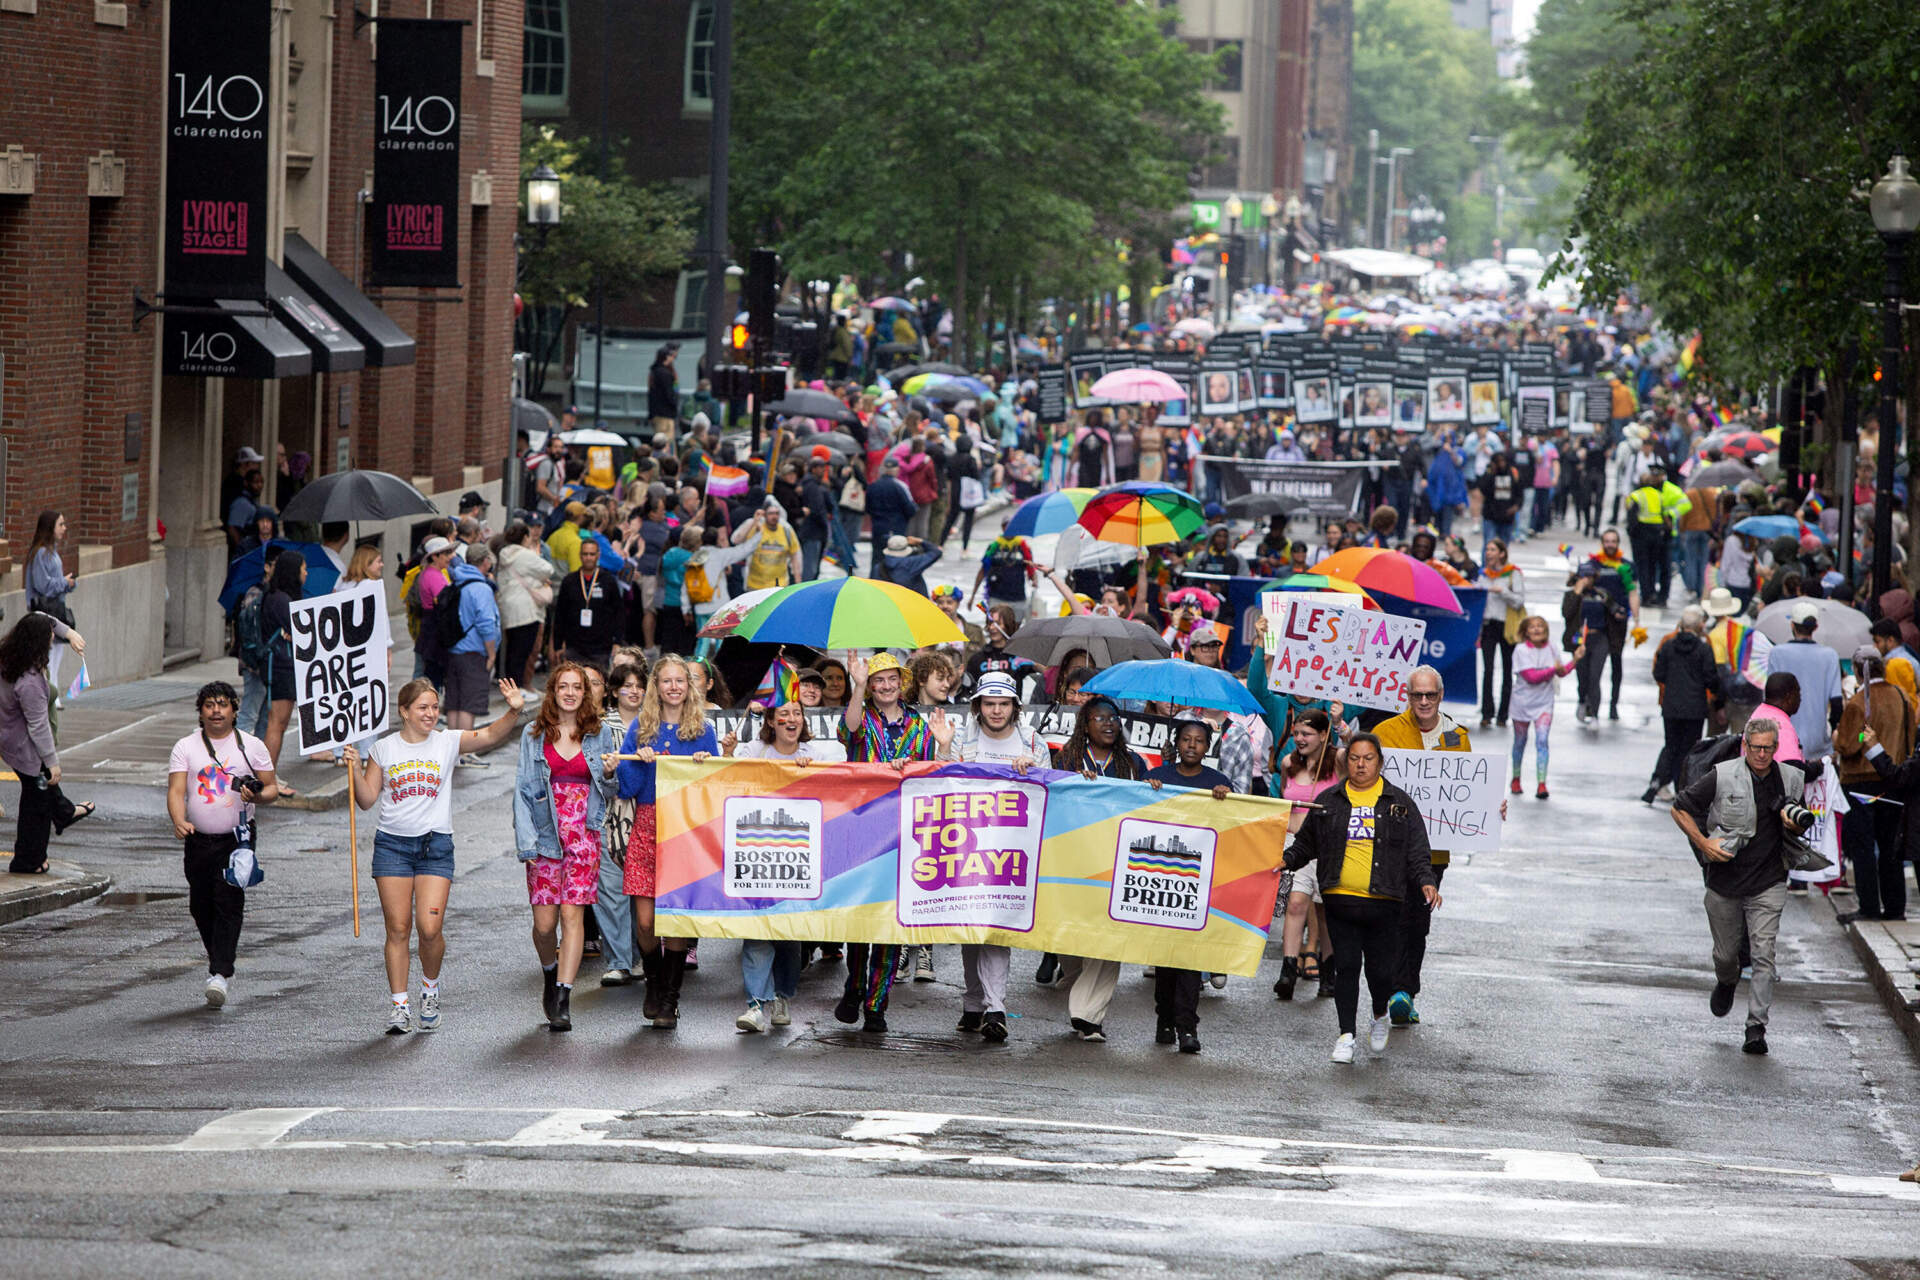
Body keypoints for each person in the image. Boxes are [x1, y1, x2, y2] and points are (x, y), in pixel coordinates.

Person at [348, 676, 527, 1034]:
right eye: (423, 708)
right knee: (398, 929)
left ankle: (429, 989)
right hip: (393, 846)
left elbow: (490, 735)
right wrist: (353, 768)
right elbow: (367, 800)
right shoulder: (383, 749)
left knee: (430, 929)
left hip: (435, 847)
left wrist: (513, 711)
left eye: (434, 707)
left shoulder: (446, 742)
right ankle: (400, 1006)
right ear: (404, 711)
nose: (431, 714)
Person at [1283, 732, 1438, 1064]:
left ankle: (1379, 1014)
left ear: (1380, 763)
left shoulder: (1399, 803)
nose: (1361, 765)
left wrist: (1426, 882)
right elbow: (1306, 843)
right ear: (1346, 761)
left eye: (1368, 759)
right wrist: (1286, 860)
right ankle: (1346, 1035)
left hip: (1385, 903)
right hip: (1340, 900)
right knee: (1347, 967)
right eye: (1354, 758)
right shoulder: (1329, 801)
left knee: (1380, 973)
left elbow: (1417, 851)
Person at [1669, 717, 1808, 1056]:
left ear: (1776, 749)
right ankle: (1727, 979)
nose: (1761, 754)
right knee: (1726, 954)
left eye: (1768, 748)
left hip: (1769, 880)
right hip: (1725, 880)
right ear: (1745, 745)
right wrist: (1704, 844)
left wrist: (1794, 825)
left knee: (1764, 955)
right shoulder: (1722, 774)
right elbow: (1679, 808)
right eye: (1755, 747)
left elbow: (1797, 823)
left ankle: (1756, 1027)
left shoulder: (1790, 779)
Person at [835, 652, 950, 1031]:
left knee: (889, 921)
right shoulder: (863, 715)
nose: (885, 686)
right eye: (877, 680)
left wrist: (936, 750)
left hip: (903, 834)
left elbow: (934, 774)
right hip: (861, 829)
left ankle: (876, 1004)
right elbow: (849, 730)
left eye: (891, 680)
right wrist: (856, 686)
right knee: (859, 918)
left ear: (903, 684)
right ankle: (853, 987)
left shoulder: (919, 724)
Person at [512, 663, 619, 1032]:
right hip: (545, 835)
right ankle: (549, 970)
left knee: (573, 917)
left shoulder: (598, 733)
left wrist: (608, 774)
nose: (571, 692)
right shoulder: (534, 733)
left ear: (585, 694)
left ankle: (563, 996)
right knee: (545, 924)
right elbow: (523, 791)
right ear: (553, 692)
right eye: (563, 686)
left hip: (583, 835)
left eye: (577, 687)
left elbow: (609, 789)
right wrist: (526, 842)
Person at [613, 655, 719, 1029]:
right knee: (645, 920)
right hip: (648, 823)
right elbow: (626, 786)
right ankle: (653, 982)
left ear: (689, 687)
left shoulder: (703, 730)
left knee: (674, 917)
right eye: (666, 681)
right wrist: (636, 761)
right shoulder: (642, 727)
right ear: (656, 687)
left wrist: (707, 765)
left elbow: (714, 790)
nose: (674, 687)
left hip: (685, 830)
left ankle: (669, 999)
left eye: (680, 681)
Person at [1374, 665, 1483, 1026]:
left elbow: (1469, 790)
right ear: (1407, 696)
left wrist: (1490, 805)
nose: (1423, 701)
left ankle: (1404, 992)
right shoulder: (1385, 733)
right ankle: (1390, 988)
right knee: (1391, 918)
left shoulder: (1456, 736)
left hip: (1433, 850)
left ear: (1441, 695)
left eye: (1430, 695)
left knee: (1417, 919)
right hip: (1388, 845)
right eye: (1417, 695)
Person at [946, 671, 1047, 1043]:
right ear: (978, 706)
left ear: (1015, 707)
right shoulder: (961, 737)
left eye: (1004, 704)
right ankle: (974, 1004)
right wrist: (944, 750)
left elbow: (1049, 791)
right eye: (990, 703)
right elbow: (940, 782)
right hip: (965, 846)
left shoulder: (1032, 741)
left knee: (996, 927)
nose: (996, 711)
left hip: (1012, 849)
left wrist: (1034, 770)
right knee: (971, 928)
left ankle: (995, 1007)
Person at [165, 681, 279, 1007]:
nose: (216, 711)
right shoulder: (185, 747)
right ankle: (219, 959)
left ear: (234, 709)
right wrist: (178, 820)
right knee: (200, 905)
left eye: (223, 704)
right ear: (201, 711)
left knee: (228, 902)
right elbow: (175, 791)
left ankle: (220, 973)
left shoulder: (251, 746)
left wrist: (257, 793)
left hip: (237, 838)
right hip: (197, 839)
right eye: (210, 705)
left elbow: (272, 788)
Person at [1051, 695, 1149, 1040]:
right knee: (1074, 943)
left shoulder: (1133, 764)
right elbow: (1052, 800)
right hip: (1073, 861)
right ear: (1085, 724)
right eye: (1100, 718)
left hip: (1116, 862)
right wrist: (1075, 783)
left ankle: (1088, 1016)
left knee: (1109, 940)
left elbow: (1149, 810)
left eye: (1114, 718)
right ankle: (1074, 976)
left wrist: (1153, 786)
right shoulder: (1066, 758)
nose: (1109, 724)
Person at [1141, 718, 1234, 1054]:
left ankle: (1187, 1028)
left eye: (1199, 740)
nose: (1192, 745)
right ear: (1176, 743)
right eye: (1186, 739)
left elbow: (1234, 825)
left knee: (1192, 958)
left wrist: (1227, 799)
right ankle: (1164, 1019)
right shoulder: (1159, 778)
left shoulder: (1219, 782)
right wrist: (1145, 790)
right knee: (1165, 959)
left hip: (1200, 882)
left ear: (1207, 747)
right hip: (1160, 880)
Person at [0, 614, 92, 874]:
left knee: (38, 798)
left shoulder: (10, 658)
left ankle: (63, 813)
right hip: (26, 749)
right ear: (37, 643)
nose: (53, 638)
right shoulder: (30, 681)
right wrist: (52, 763)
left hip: (10, 740)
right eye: (50, 638)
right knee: (36, 807)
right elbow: (38, 726)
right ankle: (29, 861)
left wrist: (70, 634)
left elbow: (43, 619)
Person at [1833, 652, 1914, 921]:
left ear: (1857, 670)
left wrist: (1841, 734)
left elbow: (1850, 743)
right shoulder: (1902, 697)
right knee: (1891, 846)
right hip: (1894, 780)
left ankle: (1868, 906)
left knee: (1864, 847)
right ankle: (1894, 906)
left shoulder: (1858, 702)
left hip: (1861, 783)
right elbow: (1909, 737)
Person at [1273, 708, 1343, 1001]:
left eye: (1307, 734)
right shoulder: (1289, 763)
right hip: (1296, 845)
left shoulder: (1338, 761)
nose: (1299, 739)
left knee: (1325, 911)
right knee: (1296, 904)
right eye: (1296, 733)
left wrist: (1340, 724)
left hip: (1328, 845)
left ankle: (1329, 972)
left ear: (1323, 735)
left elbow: (1359, 756)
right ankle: (1288, 970)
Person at [594, 662, 648, 987]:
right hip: (609, 815)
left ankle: (639, 956)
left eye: (639, 685)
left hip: (645, 812)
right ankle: (618, 961)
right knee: (611, 889)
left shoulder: (653, 725)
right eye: (626, 685)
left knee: (638, 892)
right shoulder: (600, 727)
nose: (634, 691)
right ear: (614, 691)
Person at [1643, 606, 1721, 803]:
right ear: (1698, 626)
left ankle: (1658, 782)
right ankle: (1682, 788)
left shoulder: (1668, 646)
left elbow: (1658, 673)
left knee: (1671, 746)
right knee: (1689, 749)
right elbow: (1711, 678)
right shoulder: (1703, 649)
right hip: (1695, 707)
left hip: (1671, 706)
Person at [443, 544, 504, 765]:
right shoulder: (481, 588)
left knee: (454, 703)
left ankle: (452, 752)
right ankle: (465, 751)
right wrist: (491, 654)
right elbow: (487, 623)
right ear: (486, 562)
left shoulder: (458, 580)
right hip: (474, 652)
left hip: (454, 651)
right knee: (468, 704)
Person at [1571, 530, 1641, 721]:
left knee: (1616, 662)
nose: (1610, 544)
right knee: (1587, 666)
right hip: (1595, 621)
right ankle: (1586, 701)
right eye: (1607, 541)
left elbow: (1633, 592)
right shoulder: (1592, 565)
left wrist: (1636, 619)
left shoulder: (1627, 566)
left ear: (1618, 543)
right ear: (1602, 543)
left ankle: (1613, 704)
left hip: (1617, 621)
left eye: (1614, 541)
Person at [1510, 615, 1580, 799]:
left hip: (1544, 704)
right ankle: (1516, 778)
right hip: (1522, 703)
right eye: (1532, 627)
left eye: (1540, 626)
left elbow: (1562, 672)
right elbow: (1531, 677)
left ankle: (1542, 784)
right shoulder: (1521, 650)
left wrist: (1575, 660)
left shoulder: (1551, 648)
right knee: (1520, 741)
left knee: (1542, 741)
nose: (1536, 629)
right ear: (1525, 631)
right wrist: (1553, 670)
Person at [1764, 601, 1843, 762]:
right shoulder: (1830, 655)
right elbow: (1836, 703)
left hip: (1784, 737)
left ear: (1792, 625)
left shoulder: (1777, 653)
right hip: (1818, 741)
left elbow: (1769, 699)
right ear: (1816, 627)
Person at [259, 549, 306, 785]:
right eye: (303, 568)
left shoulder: (278, 597)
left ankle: (269, 776)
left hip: (281, 666)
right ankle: (268, 780)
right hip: (281, 668)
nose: (305, 573)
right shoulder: (281, 600)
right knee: (277, 723)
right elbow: (301, 631)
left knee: (278, 723)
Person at [495, 521, 560, 688]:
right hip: (525, 610)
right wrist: (537, 578)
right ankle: (517, 688)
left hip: (509, 609)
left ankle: (512, 687)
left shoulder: (504, 555)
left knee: (513, 651)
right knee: (523, 652)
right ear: (525, 537)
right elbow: (548, 569)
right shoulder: (525, 554)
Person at [553, 537, 623, 670]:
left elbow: (618, 613)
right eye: (585, 554)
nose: (588, 558)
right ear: (580, 556)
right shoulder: (569, 581)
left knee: (598, 683)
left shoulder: (608, 580)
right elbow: (560, 614)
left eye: (592, 554)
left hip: (601, 646)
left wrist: (617, 641)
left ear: (598, 555)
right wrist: (558, 644)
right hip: (574, 645)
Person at [1478, 540, 1523, 728]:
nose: (1489, 553)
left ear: (1502, 554)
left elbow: (1519, 601)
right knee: (1487, 669)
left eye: (1493, 549)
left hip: (1507, 625)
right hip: (1488, 625)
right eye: (1487, 549)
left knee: (1507, 670)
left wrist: (1503, 591)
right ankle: (1487, 712)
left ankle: (1503, 715)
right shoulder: (1483, 574)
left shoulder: (1513, 573)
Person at [733, 497, 803, 592]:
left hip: (779, 586)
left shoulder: (786, 530)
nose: (774, 517)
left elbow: (794, 555)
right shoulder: (756, 527)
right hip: (755, 586)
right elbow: (736, 540)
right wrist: (754, 521)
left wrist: (797, 580)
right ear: (764, 515)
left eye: (777, 513)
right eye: (771, 513)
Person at [971, 533, 1040, 622]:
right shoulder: (993, 547)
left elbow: (1031, 570)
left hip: (1018, 599)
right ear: (1003, 528)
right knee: (995, 628)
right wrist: (973, 595)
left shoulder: (1024, 548)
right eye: (1006, 525)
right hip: (996, 598)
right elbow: (982, 571)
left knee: (1014, 631)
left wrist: (1034, 581)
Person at [24, 510, 77, 626]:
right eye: (61, 525)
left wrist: (68, 584)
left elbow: (53, 583)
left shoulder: (51, 552)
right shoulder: (41, 553)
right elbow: (43, 585)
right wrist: (64, 582)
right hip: (44, 614)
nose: (64, 528)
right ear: (50, 527)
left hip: (54, 612)